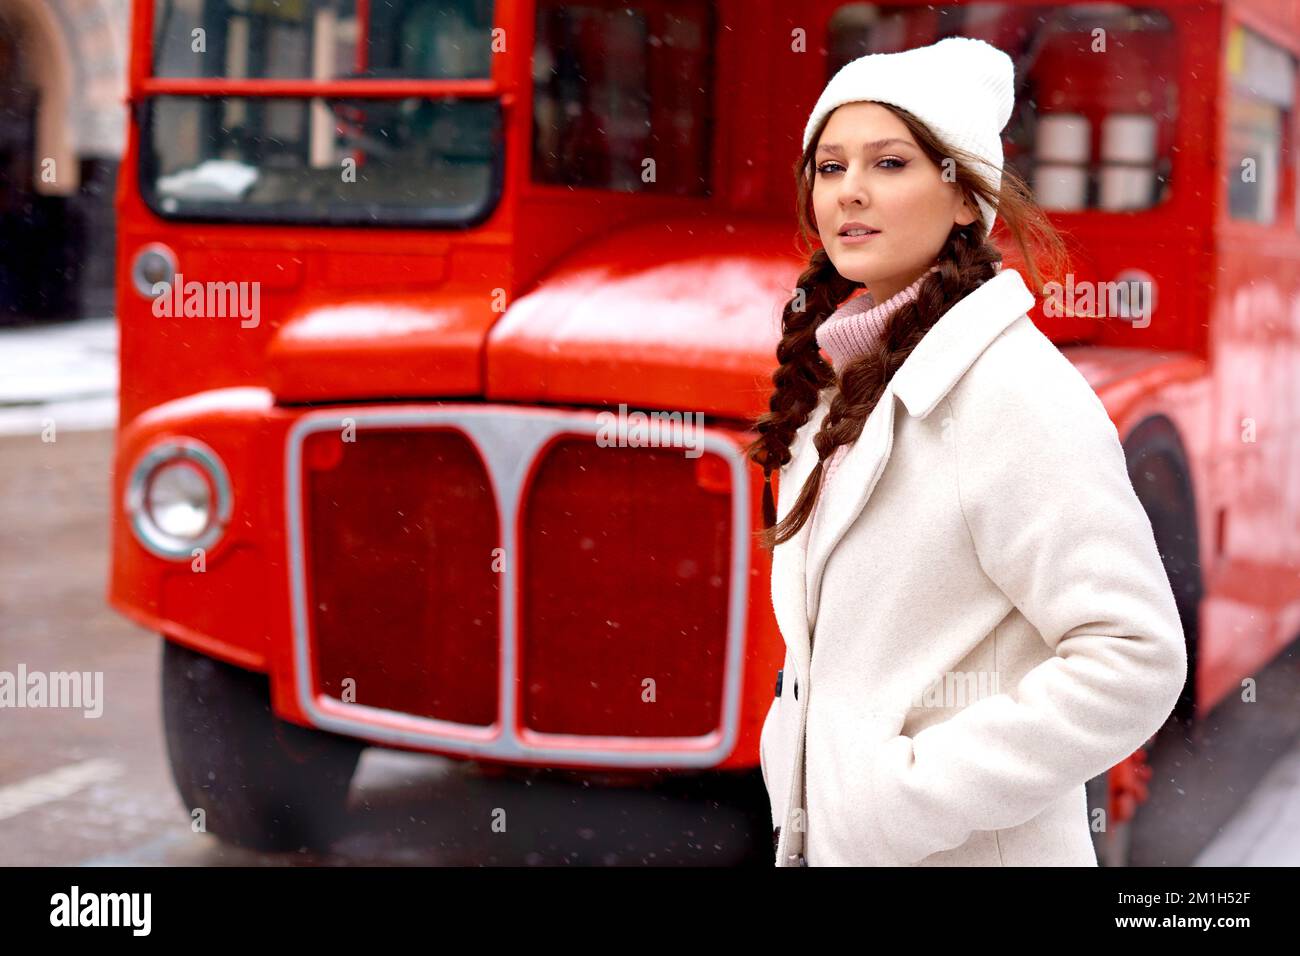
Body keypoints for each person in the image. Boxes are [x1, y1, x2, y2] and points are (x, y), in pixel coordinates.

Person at [747, 36, 1187, 866]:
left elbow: (1133, 657)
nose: (851, 193)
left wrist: (905, 798)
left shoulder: (1012, 389)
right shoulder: (841, 383)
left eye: (889, 163)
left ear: (961, 200)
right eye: (830, 167)